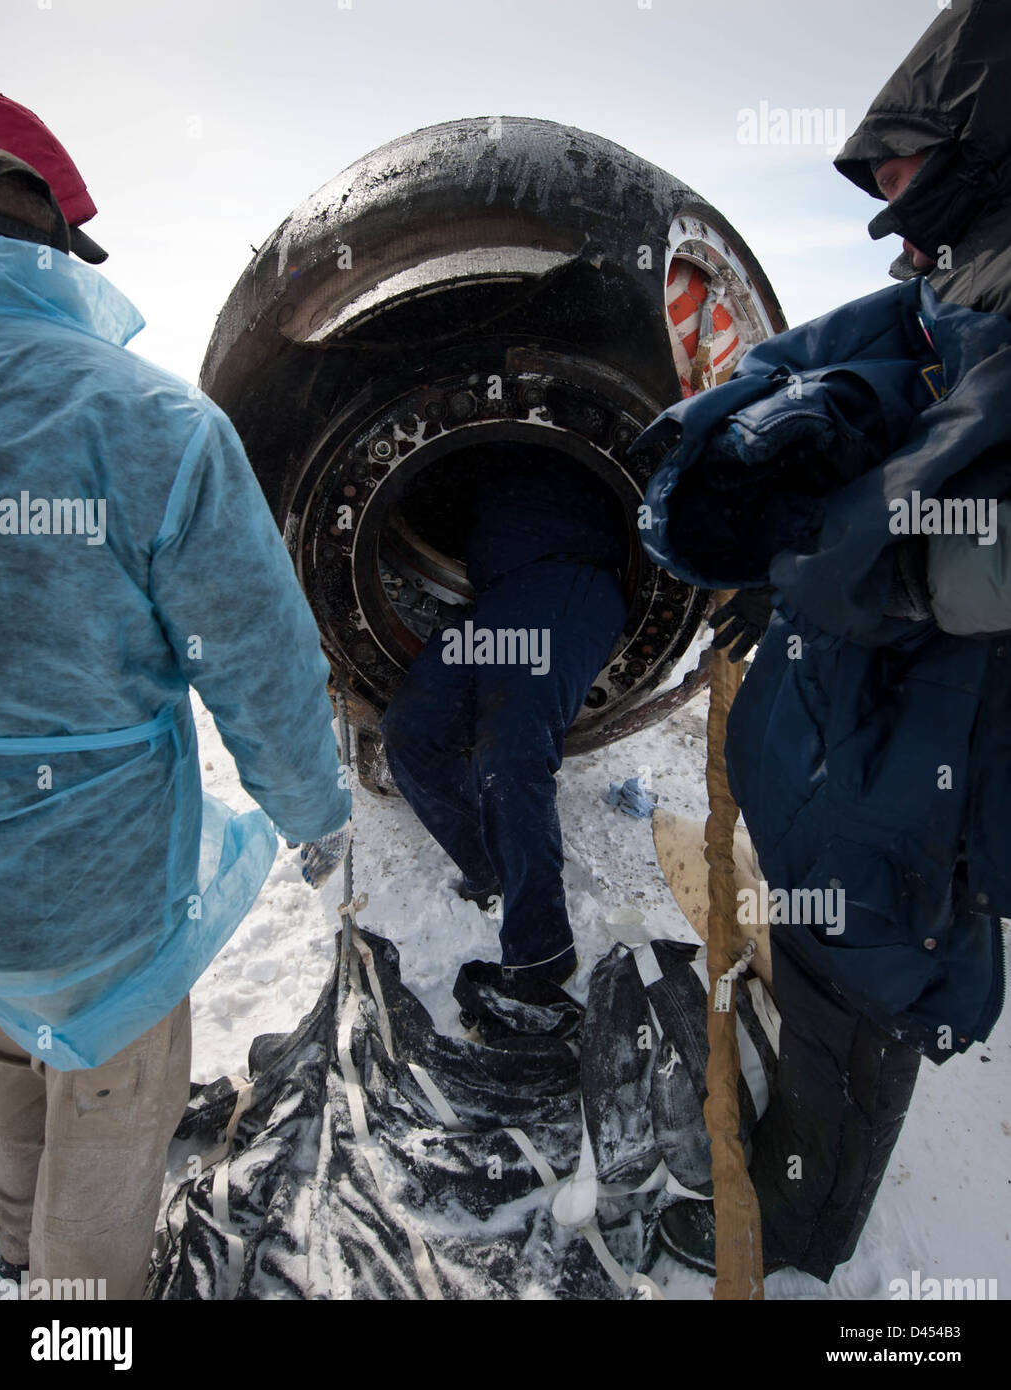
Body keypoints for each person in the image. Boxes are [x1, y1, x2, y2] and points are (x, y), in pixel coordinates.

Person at [650, 0, 1011, 1280]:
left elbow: (972, 551)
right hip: (861, 769)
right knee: (819, 981)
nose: (888, 192)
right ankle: (792, 1116)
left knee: (859, 1024)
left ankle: (802, 1236)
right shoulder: (949, 288)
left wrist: (866, 548)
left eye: (905, 159)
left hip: (914, 802)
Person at [0, 97, 351, 1300]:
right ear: (44, 236)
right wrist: (312, 814)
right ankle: (71, 1319)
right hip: (100, 905)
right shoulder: (150, 425)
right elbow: (254, 658)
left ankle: (12, 1250)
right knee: (105, 1104)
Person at [381, 440, 629, 985]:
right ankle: (489, 865)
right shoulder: (466, 472)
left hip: (569, 583)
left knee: (511, 746)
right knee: (408, 732)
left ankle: (541, 956)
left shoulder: (569, 451)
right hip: (491, 606)